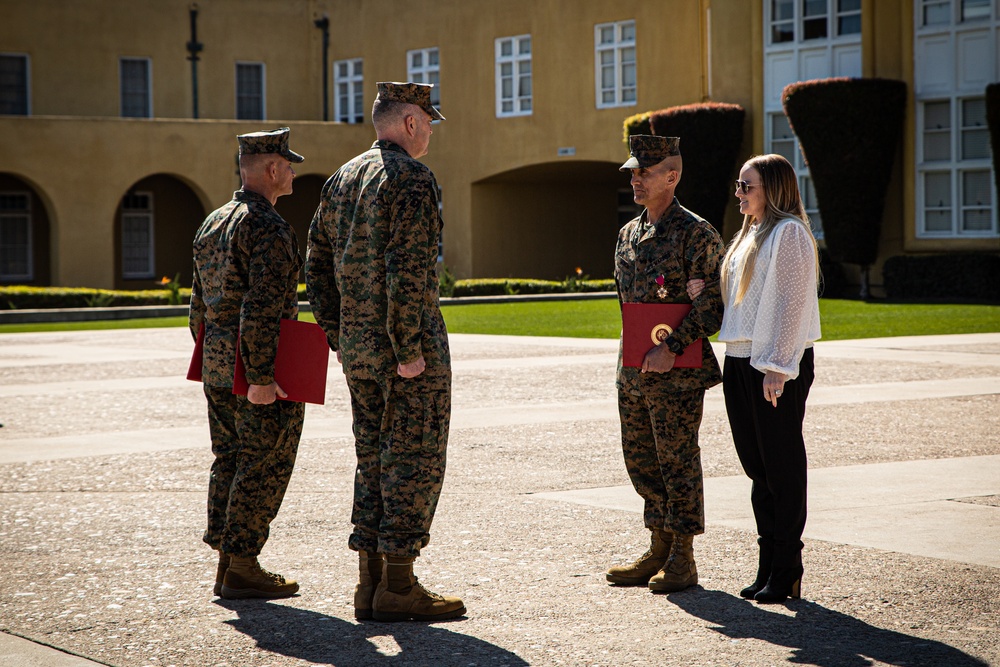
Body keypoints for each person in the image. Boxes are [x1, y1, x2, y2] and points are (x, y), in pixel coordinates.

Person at [306, 81, 464, 622]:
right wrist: (409, 346)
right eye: (429, 122)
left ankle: (369, 582)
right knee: (414, 458)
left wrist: (339, 334)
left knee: (371, 456)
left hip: (360, 352)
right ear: (412, 122)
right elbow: (408, 268)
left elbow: (317, 269)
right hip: (404, 352)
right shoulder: (411, 179)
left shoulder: (342, 178)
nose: (430, 135)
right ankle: (398, 584)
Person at [189, 127, 306, 600]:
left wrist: (211, 353)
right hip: (258, 369)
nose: (294, 170)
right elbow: (261, 308)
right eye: (289, 163)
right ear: (272, 169)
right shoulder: (269, 228)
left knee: (229, 459)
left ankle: (226, 559)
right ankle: (243, 565)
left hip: (216, 362)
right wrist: (260, 377)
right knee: (264, 462)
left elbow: (197, 305)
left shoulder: (213, 221)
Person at [606, 134, 725, 593]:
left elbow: (712, 308)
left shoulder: (697, 233)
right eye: (633, 171)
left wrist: (671, 346)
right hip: (633, 371)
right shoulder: (628, 233)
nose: (635, 179)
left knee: (677, 461)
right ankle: (658, 545)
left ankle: (683, 557)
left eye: (645, 171)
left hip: (676, 372)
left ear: (671, 176)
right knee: (641, 461)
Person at [715, 153, 821, 603]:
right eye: (738, 185)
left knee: (781, 466)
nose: (739, 193)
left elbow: (792, 302)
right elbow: (746, 302)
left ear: (772, 189)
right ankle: (767, 566)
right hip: (740, 358)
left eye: (747, 186)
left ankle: (787, 569)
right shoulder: (750, 234)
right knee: (757, 469)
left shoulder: (789, 233)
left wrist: (778, 364)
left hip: (774, 364)